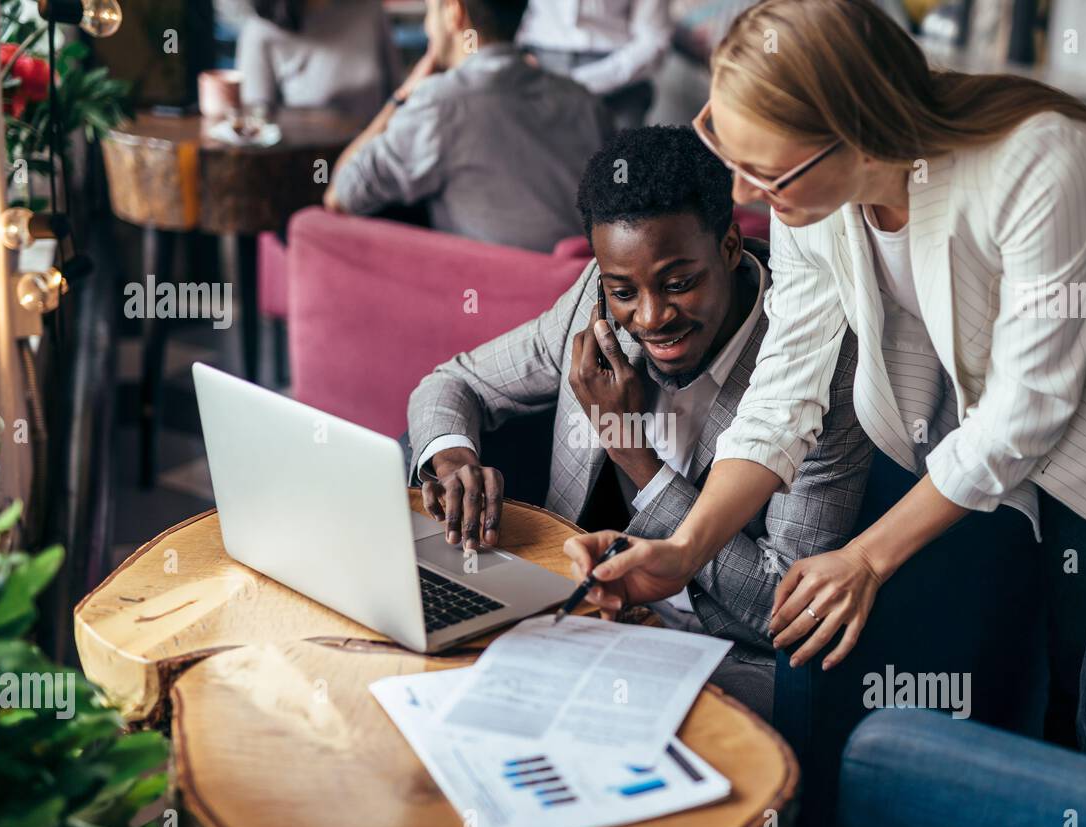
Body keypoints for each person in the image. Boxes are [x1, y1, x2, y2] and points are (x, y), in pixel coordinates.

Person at [568, 0, 1086, 796]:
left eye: (763, 171)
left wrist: (866, 558)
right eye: (731, 154)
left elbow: (1025, 409)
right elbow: (785, 388)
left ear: (856, 129)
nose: (742, 191)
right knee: (1067, 681)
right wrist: (685, 547)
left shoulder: (1041, 161)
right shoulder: (813, 195)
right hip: (1083, 417)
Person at [403, 126, 873, 719]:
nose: (650, 317)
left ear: (731, 247)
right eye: (623, 290)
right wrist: (453, 461)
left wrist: (634, 456)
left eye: (680, 284)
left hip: (722, 658)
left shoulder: (821, 362)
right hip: (572, 612)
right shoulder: (593, 303)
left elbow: (778, 607)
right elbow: (452, 382)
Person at [324, 0, 613, 253]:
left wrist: (403, 95)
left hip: (496, 305)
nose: (427, 27)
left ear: (453, 10)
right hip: (587, 302)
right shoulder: (583, 101)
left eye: (428, 10)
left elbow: (340, 195)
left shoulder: (441, 104)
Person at [237, 0, 402, 125]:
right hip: (305, 161)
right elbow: (256, 123)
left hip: (372, 156)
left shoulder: (368, 9)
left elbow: (399, 95)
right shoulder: (260, 30)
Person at [517, 0, 671, 128]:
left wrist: (580, 82)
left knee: (623, 160)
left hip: (620, 77)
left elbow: (653, 40)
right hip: (539, 65)